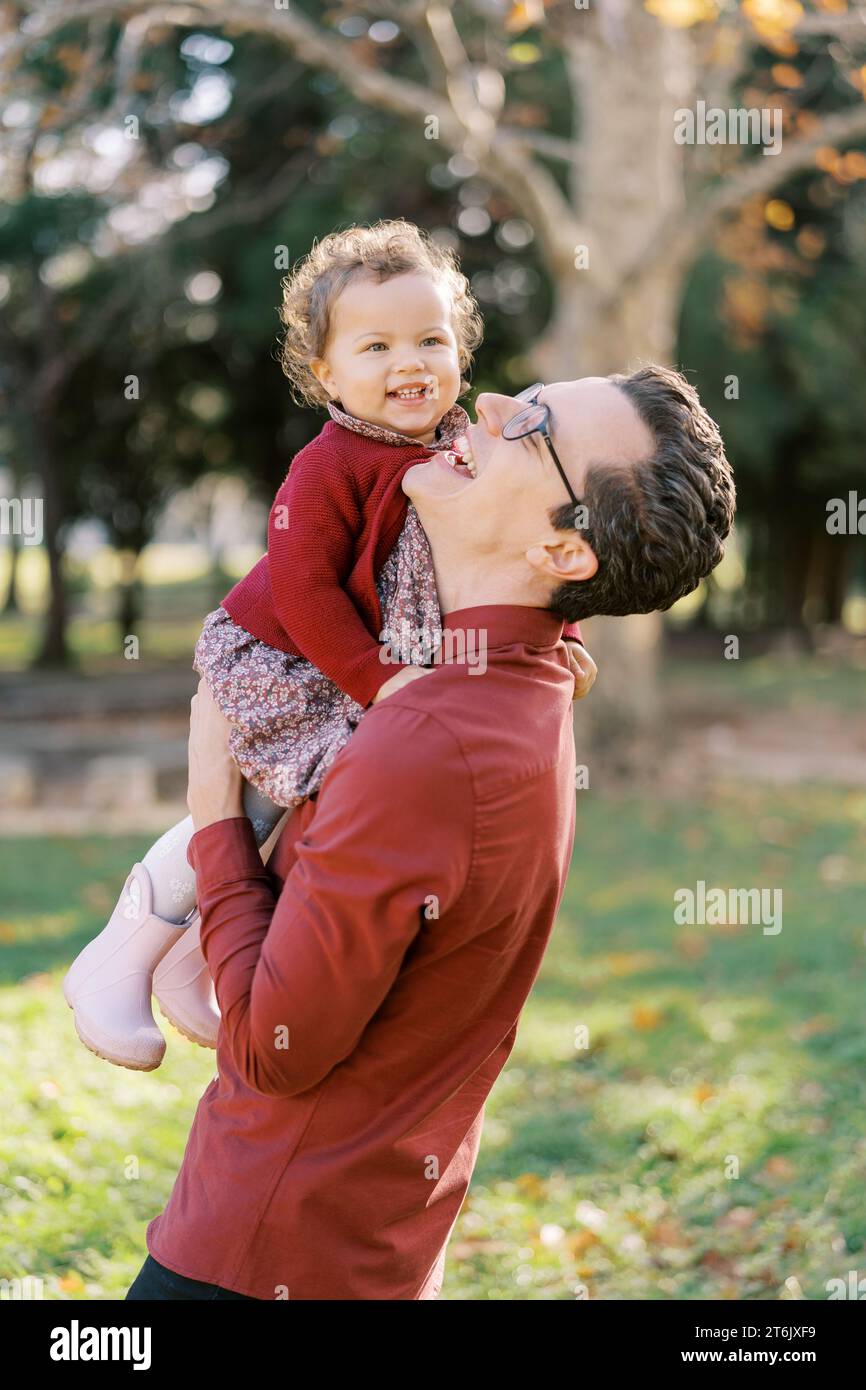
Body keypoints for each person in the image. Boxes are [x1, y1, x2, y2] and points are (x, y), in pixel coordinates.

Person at [125, 363, 735, 1300]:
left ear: (565, 552)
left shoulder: (429, 739)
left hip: (256, 1253)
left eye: (531, 424)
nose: (487, 404)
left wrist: (214, 810)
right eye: (523, 391)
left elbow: (270, 1051)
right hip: (372, 1250)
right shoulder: (529, 684)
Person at [62, 220, 593, 1072]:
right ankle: (119, 956)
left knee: (314, 820)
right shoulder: (330, 466)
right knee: (258, 806)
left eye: (430, 339)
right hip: (292, 654)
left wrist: (560, 633)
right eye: (375, 346)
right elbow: (305, 588)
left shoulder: (462, 448)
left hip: (368, 668)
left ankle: (200, 962)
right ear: (327, 374)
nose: (408, 363)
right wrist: (374, 679)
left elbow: (497, 553)